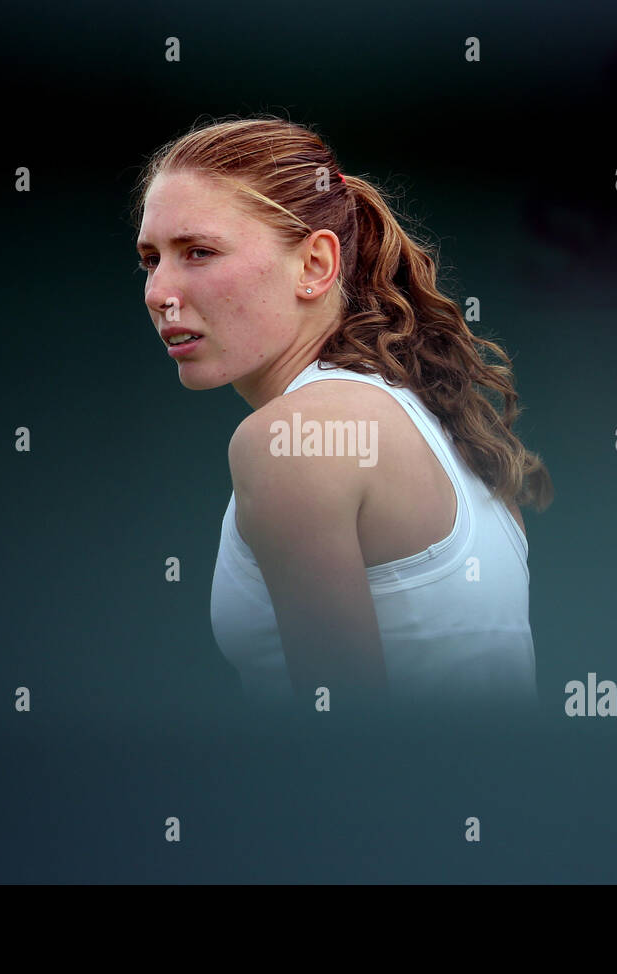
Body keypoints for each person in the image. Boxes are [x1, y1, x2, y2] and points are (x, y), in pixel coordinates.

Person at [131, 116, 555, 715]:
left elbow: (345, 747)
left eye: (198, 252)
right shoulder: (442, 424)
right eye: (150, 259)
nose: (159, 291)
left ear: (314, 266)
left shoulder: (291, 439)